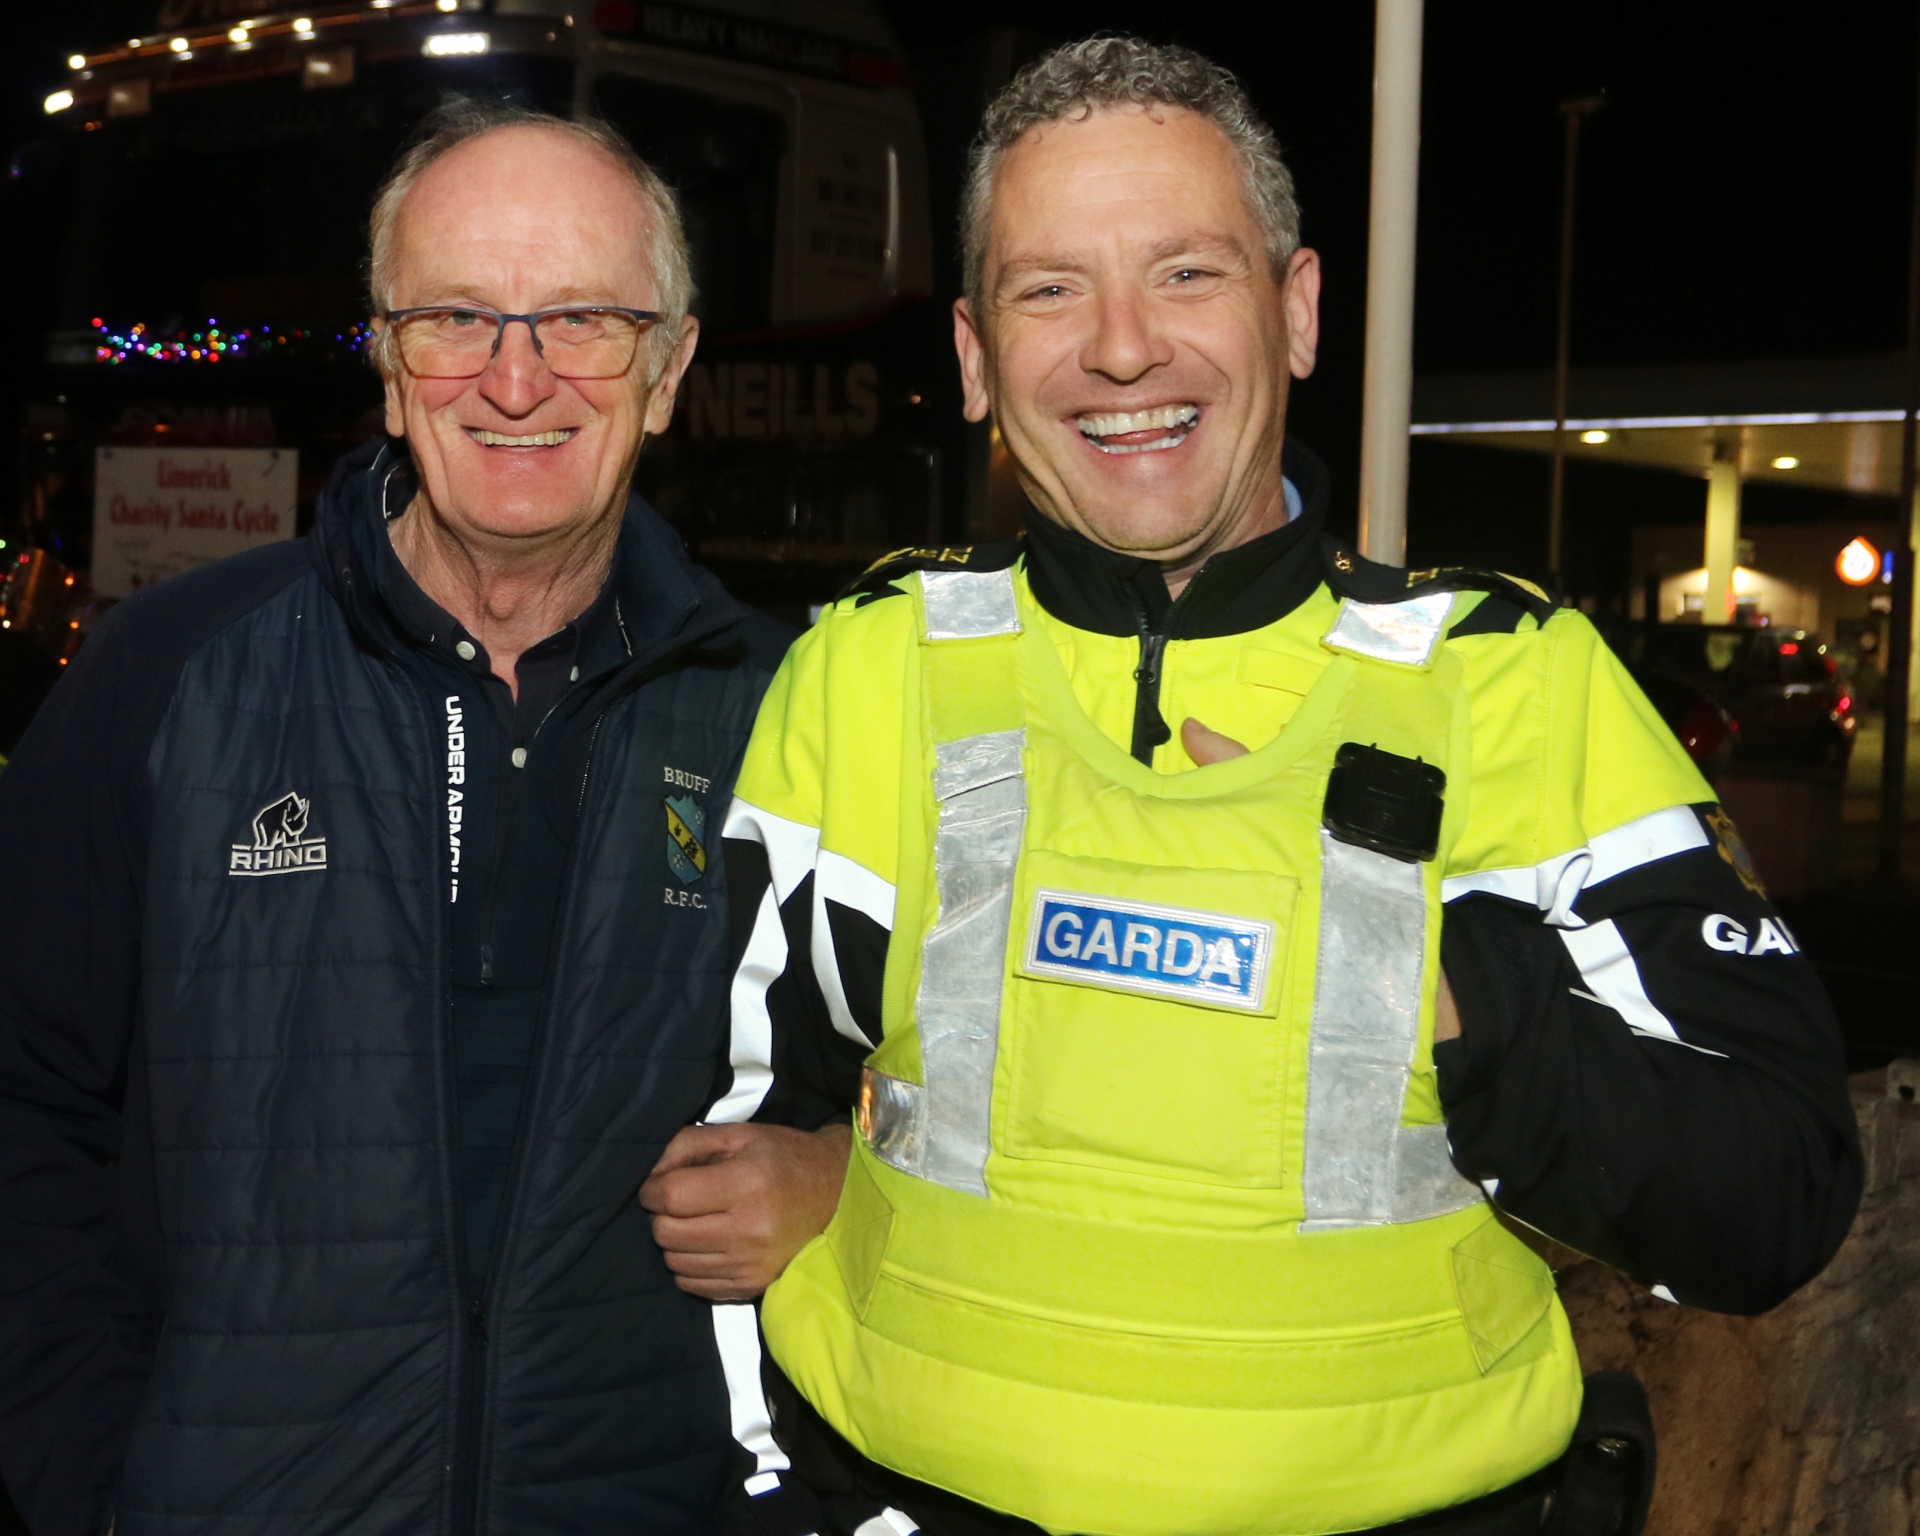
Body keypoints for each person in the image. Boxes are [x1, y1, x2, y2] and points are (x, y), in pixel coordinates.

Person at [644, 36, 1865, 1536]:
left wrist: (1437, 980)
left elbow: (1775, 1199)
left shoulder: (1514, 684)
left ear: (1295, 311)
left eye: (1184, 275)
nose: (1120, 349)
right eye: (1049, 289)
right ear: (973, 358)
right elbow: (735, 1170)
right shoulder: (865, 671)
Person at [0, 101, 792, 1536]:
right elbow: (23, 1099)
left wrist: (837, 1180)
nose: (515, 376)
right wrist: (83, 1476)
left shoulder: (788, 713)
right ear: (385, 365)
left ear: (668, 370)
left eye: (581, 319)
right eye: (455, 318)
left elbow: (936, 1091)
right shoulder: (170, 676)